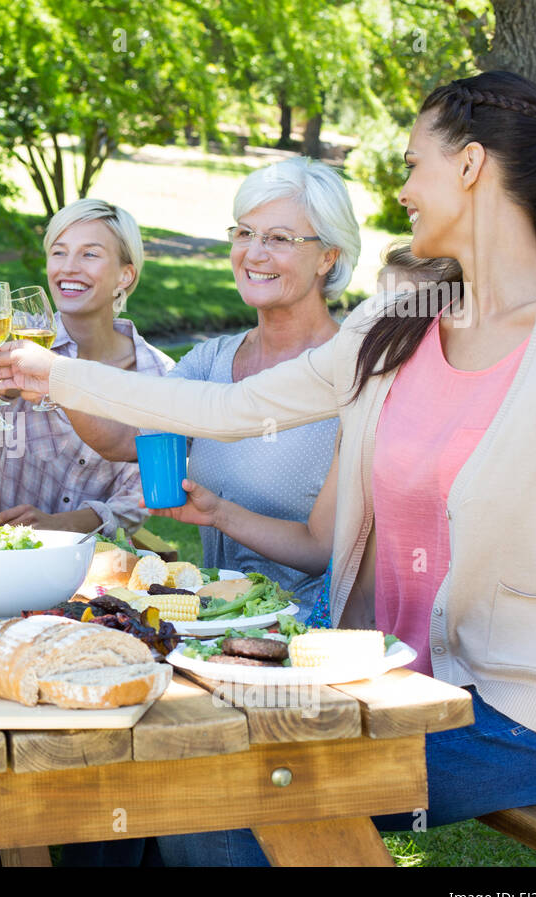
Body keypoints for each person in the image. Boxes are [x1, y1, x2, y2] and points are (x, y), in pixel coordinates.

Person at [0, 70, 536, 864]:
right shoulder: (405, 313)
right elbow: (230, 409)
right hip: (382, 681)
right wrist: (51, 372)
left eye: (412, 164)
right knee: (174, 768)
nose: (402, 191)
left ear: (468, 167)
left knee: (225, 810)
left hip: (520, 718)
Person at [44, 158, 358, 619]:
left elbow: (323, 551)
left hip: (312, 632)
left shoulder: (354, 371)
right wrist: (52, 374)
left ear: (328, 256)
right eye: (245, 233)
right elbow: (121, 438)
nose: (254, 253)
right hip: (214, 626)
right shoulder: (211, 362)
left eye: (279, 239)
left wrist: (220, 514)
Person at [158, 244, 462, 631]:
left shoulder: (468, 427)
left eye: (403, 313)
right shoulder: (362, 416)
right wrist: (217, 512)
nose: (377, 328)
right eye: (376, 308)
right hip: (356, 636)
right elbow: (318, 546)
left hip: (443, 643)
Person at [0, 199, 175, 537]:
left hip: (90, 566)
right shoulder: (15, 350)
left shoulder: (160, 376)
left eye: (90, 254)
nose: (68, 267)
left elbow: (143, 495)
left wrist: (64, 525)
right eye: (59, 252)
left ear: (125, 275)